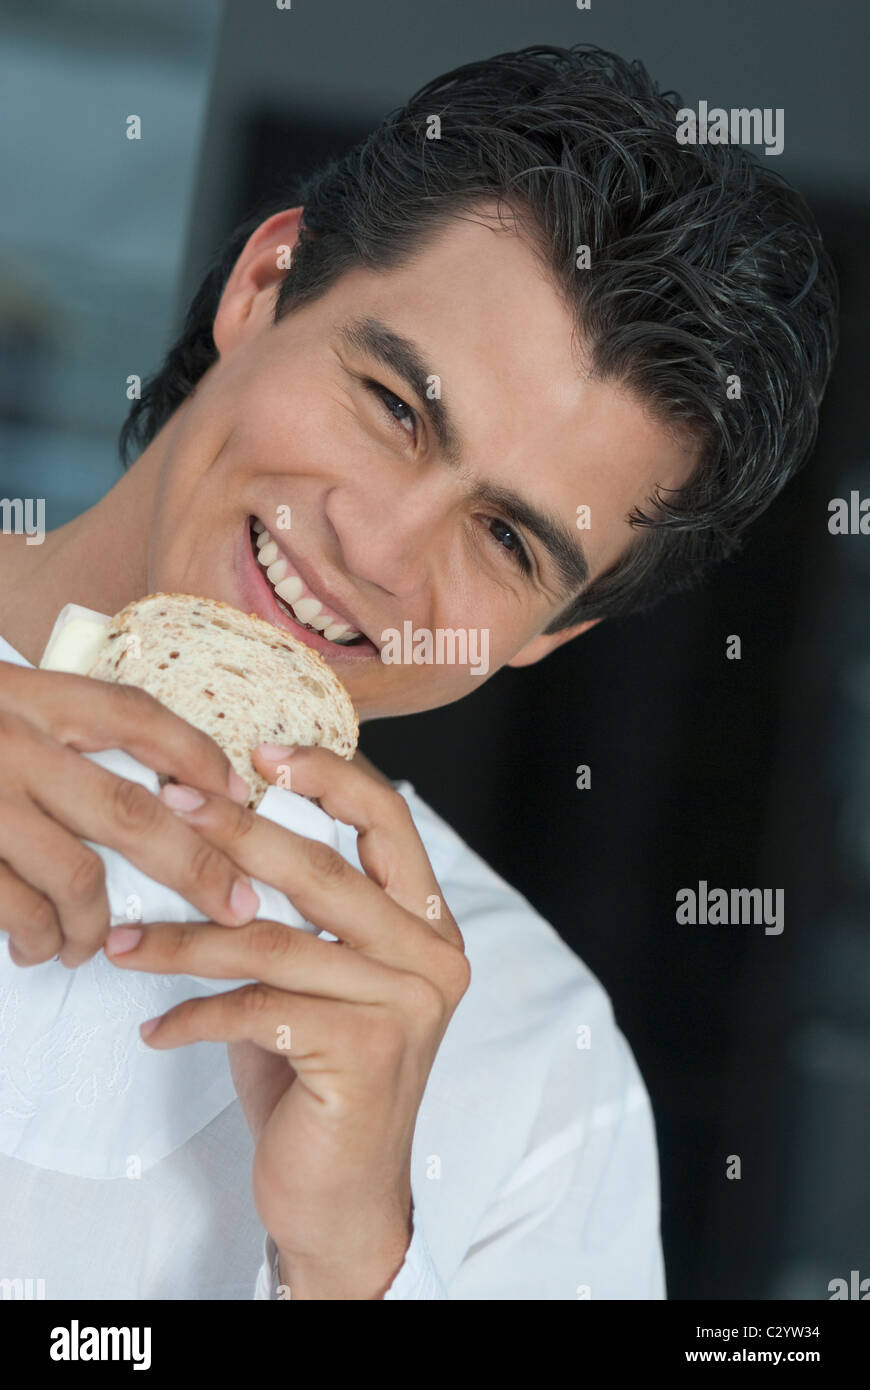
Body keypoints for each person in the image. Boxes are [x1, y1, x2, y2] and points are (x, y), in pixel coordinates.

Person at [0, 44, 837, 1299]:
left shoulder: (543, 1068)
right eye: (395, 404)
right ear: (268, 286)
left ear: (554, 635)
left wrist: (359, 1266)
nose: (378, 551)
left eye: (507, 540)